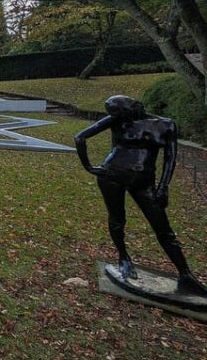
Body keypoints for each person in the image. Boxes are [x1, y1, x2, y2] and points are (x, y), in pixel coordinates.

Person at [74, 95, 206, 295]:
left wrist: (163, 187)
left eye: (118, 111)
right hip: (112, 175)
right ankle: (123, 257)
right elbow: (80, 137)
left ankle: (185, 274)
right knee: (117, 219)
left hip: (144, 182)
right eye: (113, 113)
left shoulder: (166, 125)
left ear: (133, 107)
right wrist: (90, 167)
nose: (115, 116)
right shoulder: (117, 119)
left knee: (163, 228)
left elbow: (170, 158)